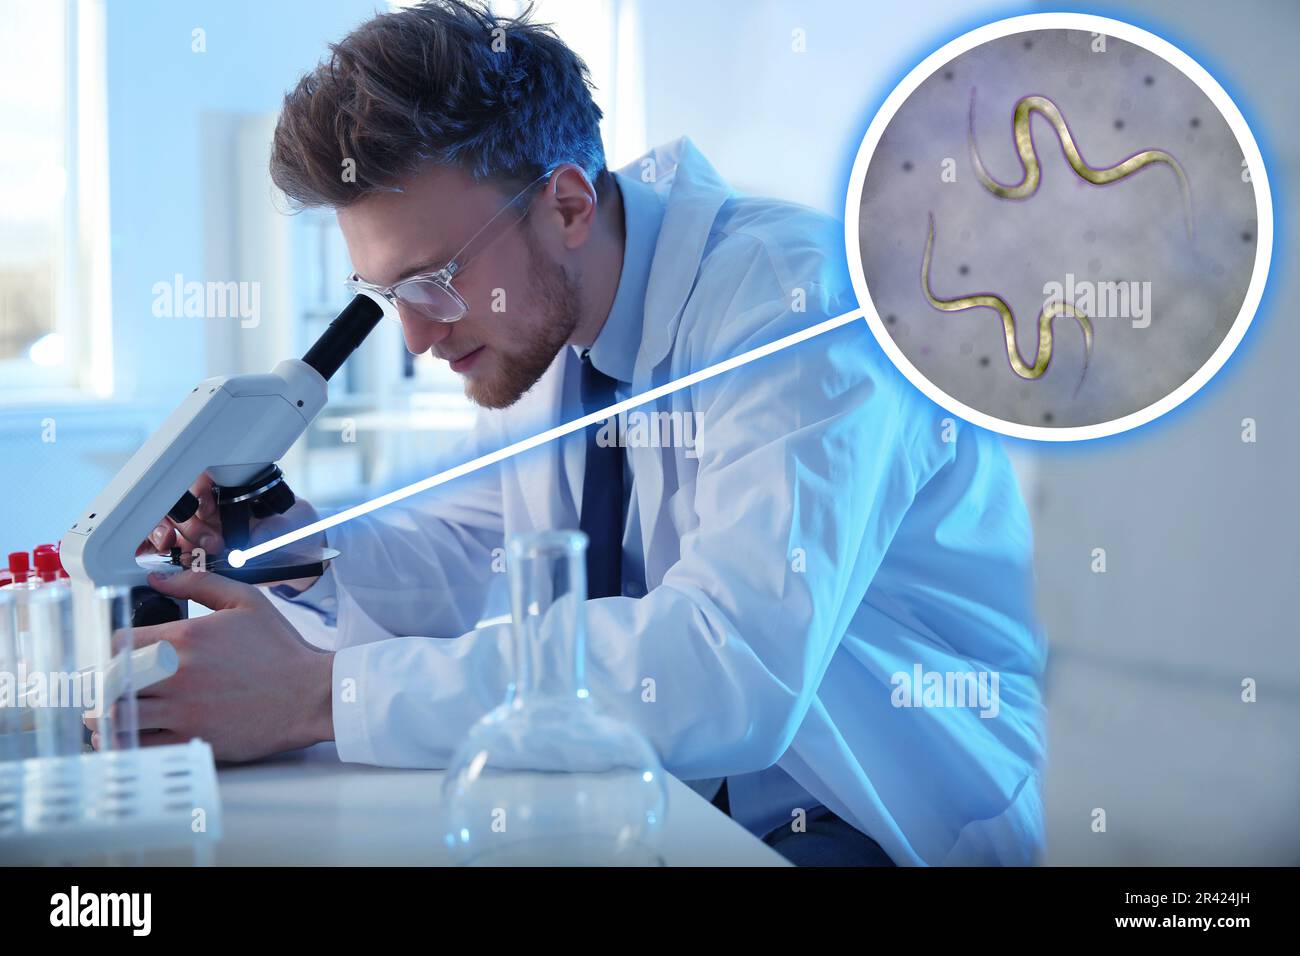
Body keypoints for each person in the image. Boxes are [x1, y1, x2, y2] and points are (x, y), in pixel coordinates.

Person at [112, 0, 1046, 866]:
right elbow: (474, 549)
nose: (417, 335)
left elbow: (726, 663)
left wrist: (319, 697)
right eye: (390, 293)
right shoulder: (540, 327)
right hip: (668, 801)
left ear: (565, 204)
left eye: (433, 279)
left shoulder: (801, 310)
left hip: (875, 821)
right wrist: (304, 553)